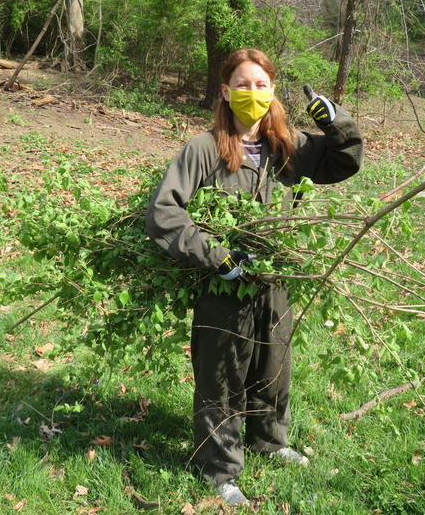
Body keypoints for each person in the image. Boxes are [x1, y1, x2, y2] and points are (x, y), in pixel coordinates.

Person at [145, 48, 363, 506]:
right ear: (226, 92)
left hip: (274, 280)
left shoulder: (289, 148)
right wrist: (215, 256)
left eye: (261, 85)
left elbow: (344, 162)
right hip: (223, 282)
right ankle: (218, 468)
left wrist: (336, 122)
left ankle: (269, 439)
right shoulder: (203, 149)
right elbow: (164, 212)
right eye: (243, 85)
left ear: (272, 91)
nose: (252, 92)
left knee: (273, 364)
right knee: (221, 374)